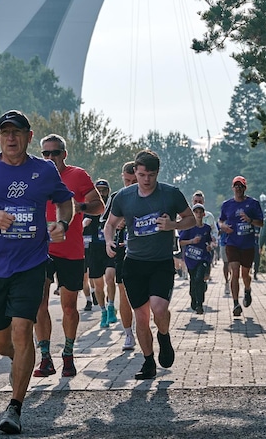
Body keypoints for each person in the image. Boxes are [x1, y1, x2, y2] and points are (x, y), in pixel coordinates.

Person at [0, 110, 74, 435]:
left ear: (28, 136)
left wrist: (62, 223)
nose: (11, 138)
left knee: (23, 331)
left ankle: (15, 407)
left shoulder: (44, 169)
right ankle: (20, 360)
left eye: (17, 132)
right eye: (5, 132)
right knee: (1, 342)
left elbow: (65, 202)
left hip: (31, 266)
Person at [103, 148, 196, 381]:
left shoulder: (170, 194)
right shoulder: (124, 197)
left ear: (157, 173)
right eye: (142, 175)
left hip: (161, 262)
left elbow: (191, 219)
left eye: (151, 175)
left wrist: (172, 226)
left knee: (159, 309)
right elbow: (110, 224)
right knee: (142, 317)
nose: (147, 180)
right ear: (135, 172)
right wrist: (107, 242)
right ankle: (148, 362)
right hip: (134, 263)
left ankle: (164, 337)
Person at [33, 134, 103, 379]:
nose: (50, 158)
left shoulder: (78, 175)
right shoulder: (35, 175)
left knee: (69, 307)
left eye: (55, 152)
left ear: (65, 154)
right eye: (46, 153)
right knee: (39, 304)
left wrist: (78, 206)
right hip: (40, 250)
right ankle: (45, 358)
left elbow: (100, 206)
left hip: (71, 250)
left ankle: (69, 355)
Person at [219, 175, 263, 317]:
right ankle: (235, 303)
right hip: (232, 243)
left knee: (245, 274)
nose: (238, 189)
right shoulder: (227, 205)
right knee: (235, 273)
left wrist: (250, 220)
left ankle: (248, 289)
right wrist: (223, 226)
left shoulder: (253, 203)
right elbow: (220, 221)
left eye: (241, 186)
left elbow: (261, 223)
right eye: (236, 186)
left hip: (248, 244)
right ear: (232, 188)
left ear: (245, 188)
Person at [111, 162, 139, 351]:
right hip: (123, 252)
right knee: (123, 293)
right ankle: (128, 333)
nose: (130, 184)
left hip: (146, 252)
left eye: (134, 181)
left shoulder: (150, 196)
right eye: (127, 180)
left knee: (144, 298)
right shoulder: (117, 197)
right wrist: (116, 225)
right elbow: (106, 225)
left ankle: (143, 327)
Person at [83, 178, 115, 327]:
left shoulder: (112, 205)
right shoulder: (90, 205)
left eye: (104, 190)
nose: (101, 193)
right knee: (98, 284)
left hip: (109, 245)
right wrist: (83, 225)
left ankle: (111, 307)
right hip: (93, 248)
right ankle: (102, 310)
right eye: (99, 190)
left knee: (110, 277)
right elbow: (82, 220)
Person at [179, 202, 215, 314]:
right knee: (194, 280)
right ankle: (193, 298)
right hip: (191, 259)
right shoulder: (189, 228)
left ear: (204, 214)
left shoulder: (207, 228)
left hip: (203, 257)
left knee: (199, 278)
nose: (198, 214)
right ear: (193, 214)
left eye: (200, 212)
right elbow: (180, 242)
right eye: (196, 212)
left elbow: (210, 240)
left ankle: (200, 304)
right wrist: (192, 241)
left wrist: (210, 246)